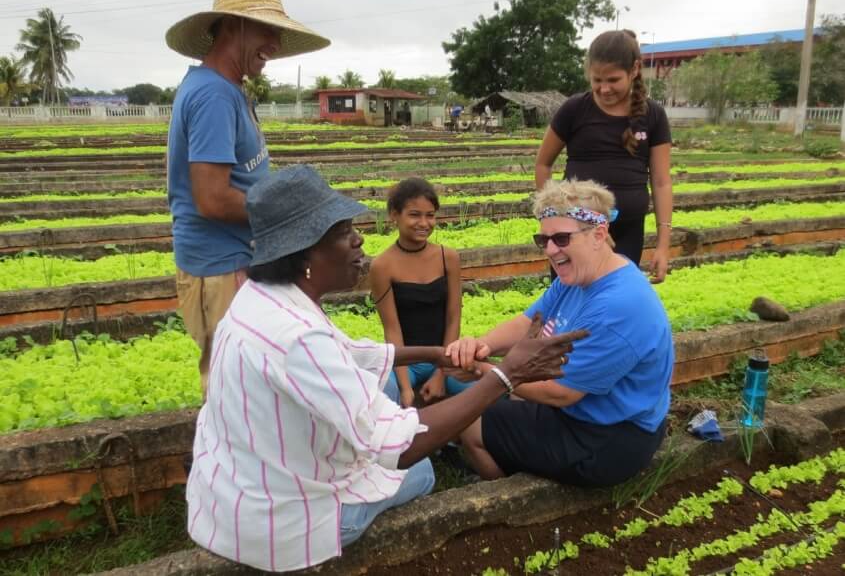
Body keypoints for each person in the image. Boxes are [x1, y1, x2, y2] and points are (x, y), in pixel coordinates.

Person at [185, 165, 584, 573]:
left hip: (230, 499)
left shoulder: (261, 298)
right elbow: (401, 448)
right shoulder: (298, 336)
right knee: (421, 471)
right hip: (282, 523)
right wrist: (506, 374)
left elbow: (348, 353)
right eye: (343, 232)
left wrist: (437, 355)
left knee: (386, 399)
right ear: (305, 253)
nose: (358, 239)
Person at [165, 0, 330, 393]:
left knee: (247, 385)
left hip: (232, 259)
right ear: (233, 25)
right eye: (266, 30)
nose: (275, 44)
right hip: (221, 267)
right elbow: (212, 198)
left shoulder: (228, 90)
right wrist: (289, 214)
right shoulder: (214, 96)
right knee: (233, 389)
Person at [451, 179, 673, 487]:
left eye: (561, 238)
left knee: (469, 420)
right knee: (491, 396)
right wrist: (481, 346)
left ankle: (509, 495)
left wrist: (486, 372)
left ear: (598, 235)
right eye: (543, 240)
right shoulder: (583, 275)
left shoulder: (617, 306)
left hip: (608, 437)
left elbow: (561, 392)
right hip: (593, 412)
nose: (551, 249)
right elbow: (529, 322)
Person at [534, 29, 673, 282]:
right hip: (575, 233)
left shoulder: (653, 115)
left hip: (628, 232)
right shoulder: (575, 109)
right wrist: (556, 215)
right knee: (571, 298)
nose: (604, 88)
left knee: (616, 298)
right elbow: (543, 164)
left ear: (634, 70)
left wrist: (663, 246)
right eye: (597, 80)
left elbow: (661, 181)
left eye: (613, 80)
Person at [369, 178, 465, 407]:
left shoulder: (448, 257)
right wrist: (405, 388)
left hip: (445, 356)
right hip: (405, 363)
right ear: (394, 215)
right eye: (414, 215)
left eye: (430, 215)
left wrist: (441, 372)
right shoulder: (382, 266)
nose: (424, 223)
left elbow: (453, 317)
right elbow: (392, 329)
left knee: (486, 388)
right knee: (383, 395)